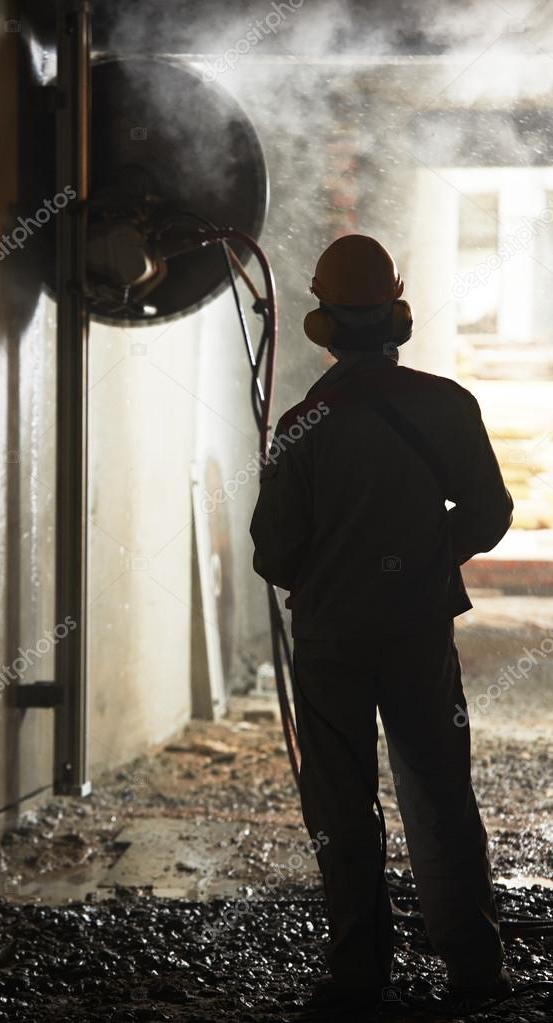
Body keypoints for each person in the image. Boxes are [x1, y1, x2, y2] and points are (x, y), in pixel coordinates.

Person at [250, 234, 514, 1013]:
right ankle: (473, 969)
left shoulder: (301, 423)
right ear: (397, 314)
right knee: (437, 792)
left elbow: (273, 551)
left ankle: (358, 973)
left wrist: (334, 579)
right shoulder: (448, 405)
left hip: (331, 639)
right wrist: (430, 555)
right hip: (417, 630)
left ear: (321, 324)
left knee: (339, 804)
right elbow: (491, 514)